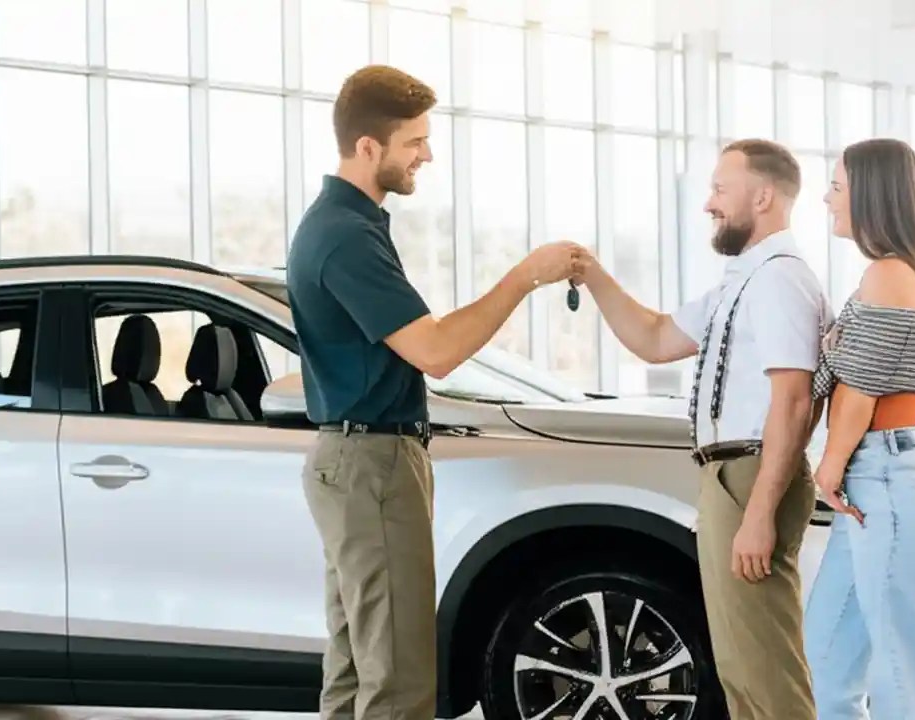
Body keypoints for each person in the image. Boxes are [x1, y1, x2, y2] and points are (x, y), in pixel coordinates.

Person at [286, 64, 583, 720]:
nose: (427, 154)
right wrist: (526, 276)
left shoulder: (340, 225)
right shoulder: (346, 237)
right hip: (374, 467)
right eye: (414, 141)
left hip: (354, 460)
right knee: (398, 676)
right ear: (369, 147)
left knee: (357, 666)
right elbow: (437, 351)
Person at [573, 138, 827, 719]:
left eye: (719, 189)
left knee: (765, 668)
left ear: (762, 196)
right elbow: (658, 338)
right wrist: (593, 276)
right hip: (729, 475)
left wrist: (759, 513)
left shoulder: (780, 280)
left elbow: (792, 400)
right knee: (741, 664)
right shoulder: (742, 280)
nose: (708, 204)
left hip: (751, 472)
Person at [803, 138, 915, 719]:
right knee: (824, 663)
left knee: (901, 681)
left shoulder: (890, 275)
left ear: (873, 196)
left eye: (838, 187)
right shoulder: (892, 274)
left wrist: (827, 468)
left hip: (886, 485)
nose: (827, 198)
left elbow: (858, 395)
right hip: (876, 489)